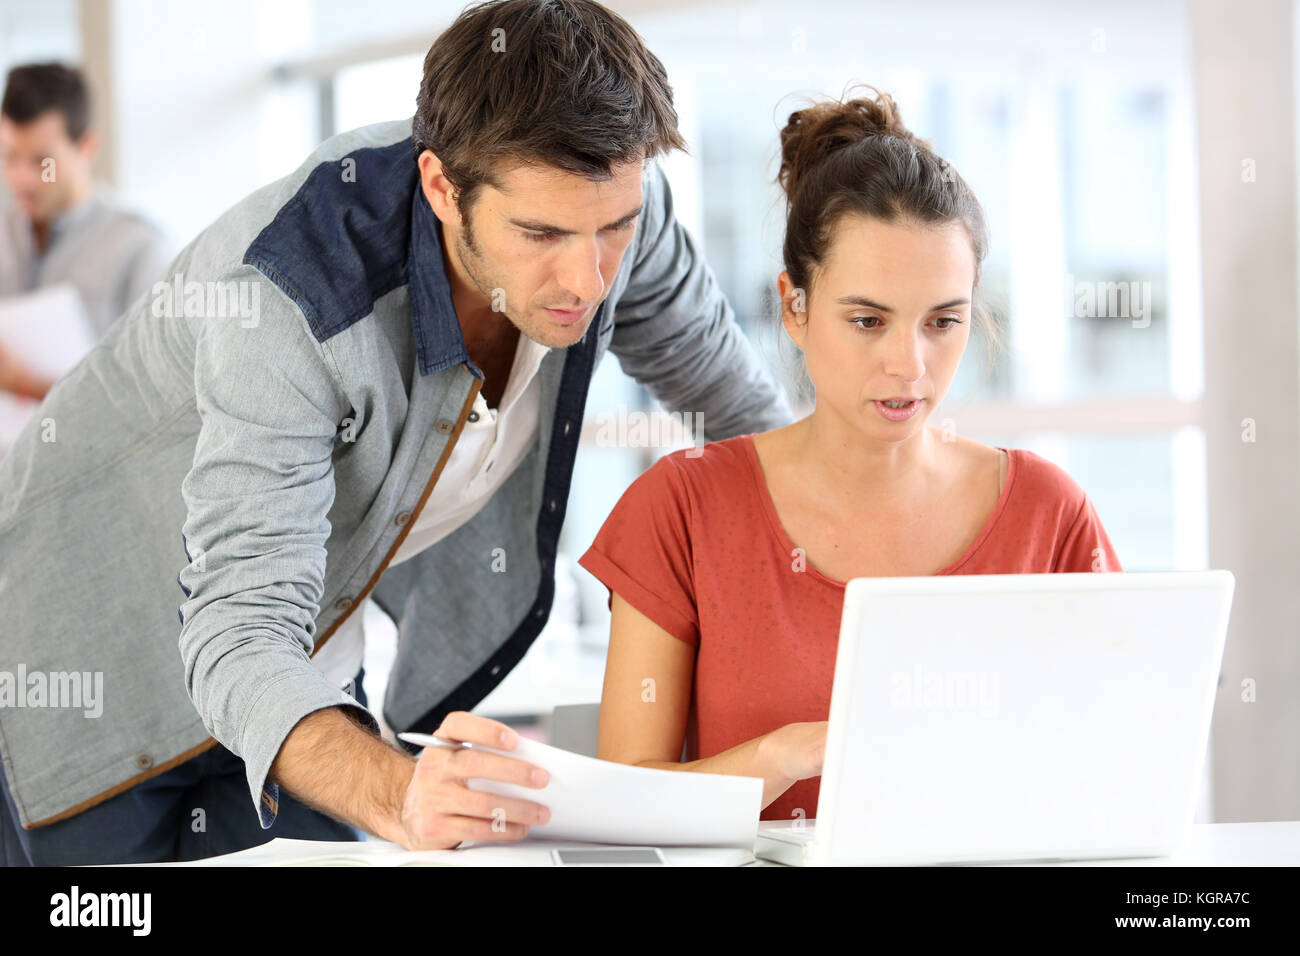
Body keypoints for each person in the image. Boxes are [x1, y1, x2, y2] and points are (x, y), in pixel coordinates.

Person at [0, 0, 793, 865]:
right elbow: (239, 627)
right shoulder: (294, 291)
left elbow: (748, 425)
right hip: (85, 654)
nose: (590, 276)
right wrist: (401, 793)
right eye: (540, 234)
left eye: (616, 227)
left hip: (294, 657)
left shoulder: (611, 209)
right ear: (442, 187)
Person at [579, 85, 1124, 822]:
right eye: (868, 320)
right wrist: (777, 761)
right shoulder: (682, 508)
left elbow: (1117, 765)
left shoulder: (1048, 514)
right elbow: (622, 808)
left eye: (942, 321)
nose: (909, 364)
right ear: (793, 307)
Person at [0, 62, 170, 399]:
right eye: (9, 157)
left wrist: (24, 384)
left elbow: (155, 392)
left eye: (41, 162)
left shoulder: (137, 245)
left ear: (86, 147)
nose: (22, 179)